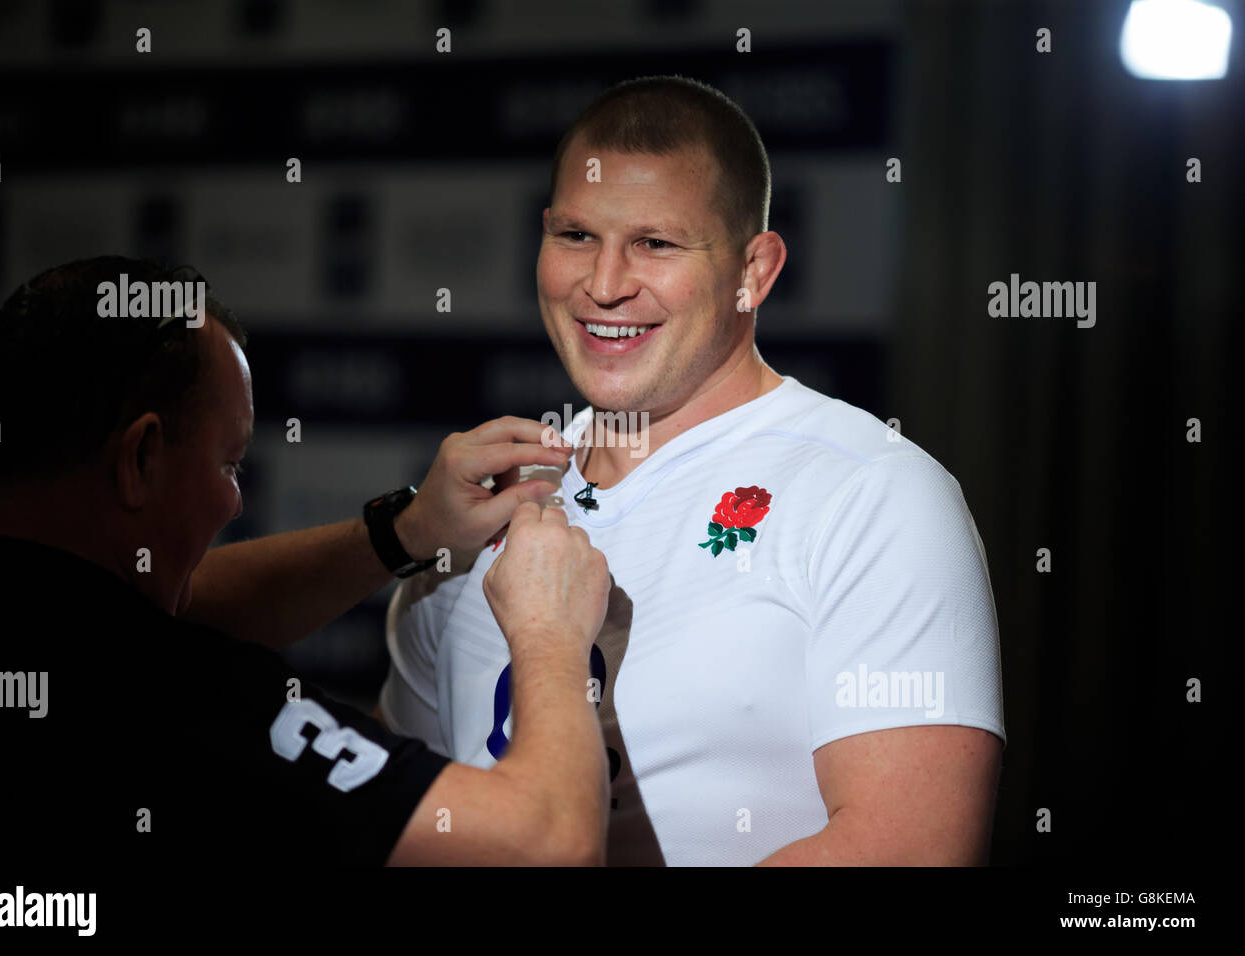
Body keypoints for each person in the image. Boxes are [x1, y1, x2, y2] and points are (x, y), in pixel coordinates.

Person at [379, 76, 1007, 865]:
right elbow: (424, 827)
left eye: (657, 244)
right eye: (577, 235)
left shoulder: (875, 494)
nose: (605, 285)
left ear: (756, 270)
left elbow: (910, 852)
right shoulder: (473, 517)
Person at [0, 256, 610, 868]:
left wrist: (405, 530)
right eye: (229, 464)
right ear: (142, 456)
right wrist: (549, 631)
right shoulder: (188, 704)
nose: (236, 504)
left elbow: (174, 607)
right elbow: (546, 843)